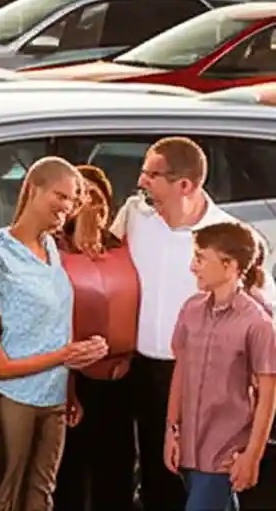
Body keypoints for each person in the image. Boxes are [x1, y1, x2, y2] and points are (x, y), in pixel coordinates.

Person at [111, 137, 250, 511]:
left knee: (187, 478)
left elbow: (260, 308)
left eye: (151, 175)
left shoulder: (227, 233)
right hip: (132, 365)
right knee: (131, 473)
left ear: (185, 184)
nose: (140, 182)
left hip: (194, 374)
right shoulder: (135, 217)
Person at [0, 156, 108, 511]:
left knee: (41, 493)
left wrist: (71, 385)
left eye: (72, 201)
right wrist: (66, 356)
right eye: (60, 196)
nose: (66, 207)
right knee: (4, 493)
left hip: (55, 398)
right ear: (33, 188)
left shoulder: (52, 248)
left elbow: (56, 325)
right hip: (15, 396)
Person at [165, 221, 276, 511]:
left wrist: (253, 455)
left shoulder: (258, 324)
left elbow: (268, 396)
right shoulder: (191, 309)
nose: (193, 266)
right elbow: (181, 371)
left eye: (201, 258)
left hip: (226, 450)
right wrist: (171, 430)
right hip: (189, 445)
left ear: (229, 265)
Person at [52, 165, 140, 511]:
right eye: (80, 197)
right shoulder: (53, 251)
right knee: (69, 476)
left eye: (97, 196)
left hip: (125, 377)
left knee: (117, 475)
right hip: (74, 378)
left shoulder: (124, 246)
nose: (89, 204)